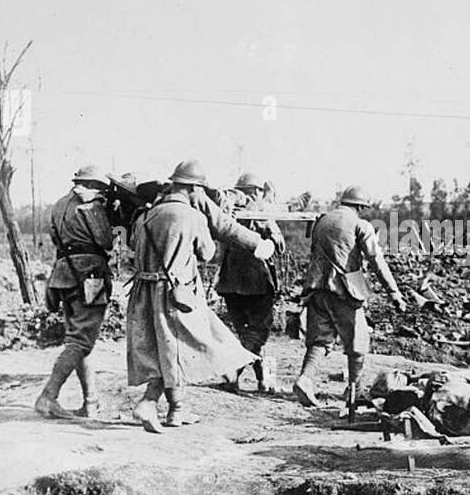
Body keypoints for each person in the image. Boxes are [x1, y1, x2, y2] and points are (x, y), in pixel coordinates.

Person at [126, 159, 275, 432]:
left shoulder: (145, 216)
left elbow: (132, 245)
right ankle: (148, 403)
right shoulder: (192, 217)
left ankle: (176, 411)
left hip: (142, 292)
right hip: (175, 294)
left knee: (166, 348)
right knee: (177, 348)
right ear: (194, 188)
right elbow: (207, 253)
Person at [294, 185, 405, 408]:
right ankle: (353, 391)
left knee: (320, 339)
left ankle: (304, 379)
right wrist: (394, 291)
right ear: (360, 206)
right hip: (345, 289)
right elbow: (376, 260)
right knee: (358, 342)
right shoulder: (360, 224)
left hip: (316, 287)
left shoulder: (322, 220)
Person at [36, 165, 116, 419]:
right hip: (90, 277)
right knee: (81, 341)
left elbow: (54, 238)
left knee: (80, 339)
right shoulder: (90, 205)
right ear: (93, 185)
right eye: (101, 188)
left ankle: (90, 402)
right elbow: (106, 241)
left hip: (63, 275)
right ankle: (48, 397)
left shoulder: (60, 204)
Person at [215, 172, 286, 394]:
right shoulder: (260, 212)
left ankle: (263, 379)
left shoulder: (227, 212)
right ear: (255, 191)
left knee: (246, 333)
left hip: (229, 282)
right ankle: (233, 372)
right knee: (257, 332)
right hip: (257, 283)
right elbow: (279, 245)